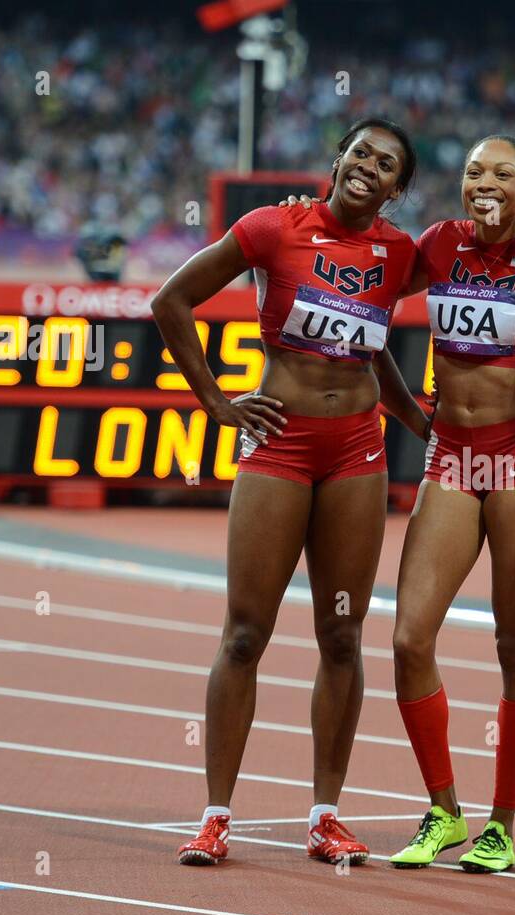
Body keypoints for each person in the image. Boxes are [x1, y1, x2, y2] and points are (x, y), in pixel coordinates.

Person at [153, 118, 431, 869]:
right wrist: (215, 401)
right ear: (337, 159)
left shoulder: (401, 254)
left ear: (398, 190)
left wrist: (410, 411)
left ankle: (325, 815)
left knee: (342, 635)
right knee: (246, 632)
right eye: (360, 153)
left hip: (356, 452)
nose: (369, 167)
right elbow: (170, 302)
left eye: (387, 164)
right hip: (278, 443)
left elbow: (374, 340)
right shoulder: (272, 228)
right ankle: (216, 817)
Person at [387, 135, 515, 873]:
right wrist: (405, 410)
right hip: (452, 456)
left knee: (514, 640)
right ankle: (443, 808)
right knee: (408, 636)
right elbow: (364, 290)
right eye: (473, 172)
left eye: (502, 173)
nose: (484, 182)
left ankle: (501, 824)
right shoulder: (438, 244)